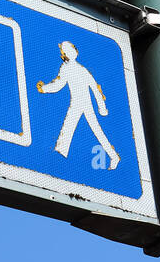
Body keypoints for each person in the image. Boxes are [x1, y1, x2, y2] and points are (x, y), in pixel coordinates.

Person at [36, 40, 119, 169]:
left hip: (84, 103)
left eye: (72, 49)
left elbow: (95, 88)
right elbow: (58, 84)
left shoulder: (81, 69)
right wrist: (45, 88)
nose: (71, 52)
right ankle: (60, 153)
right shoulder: (66, 68)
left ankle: (113, 157)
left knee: (94, 129)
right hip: (77, 102)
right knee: (71, 127)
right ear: (64, 54)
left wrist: (102, 107)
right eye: (67, 50)